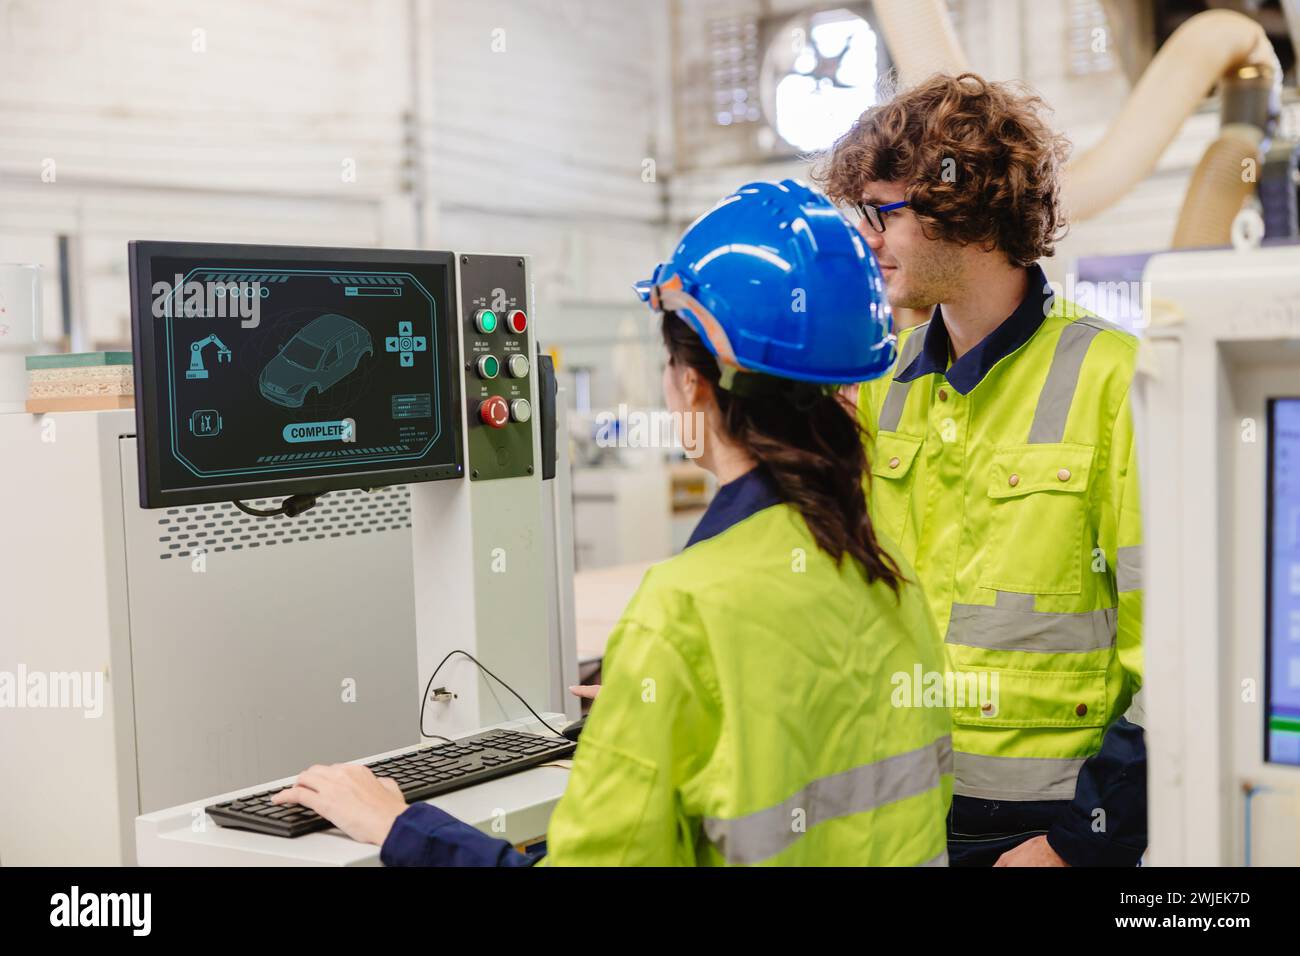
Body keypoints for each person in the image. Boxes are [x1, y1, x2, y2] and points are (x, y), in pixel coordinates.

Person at [270, 179, 953, 866]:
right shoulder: (889, 567)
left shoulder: (684, 612)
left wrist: (399, 826)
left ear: (692, 383)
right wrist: (659, 704)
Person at [816, 72, 1146, 867]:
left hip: (1044, 834)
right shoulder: (877, 383)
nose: (867, 238)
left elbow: (1169, 650)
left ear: (962, 210)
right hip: (897, 814)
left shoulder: (1117, 381)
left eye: (882, 213)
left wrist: (1077, 845)